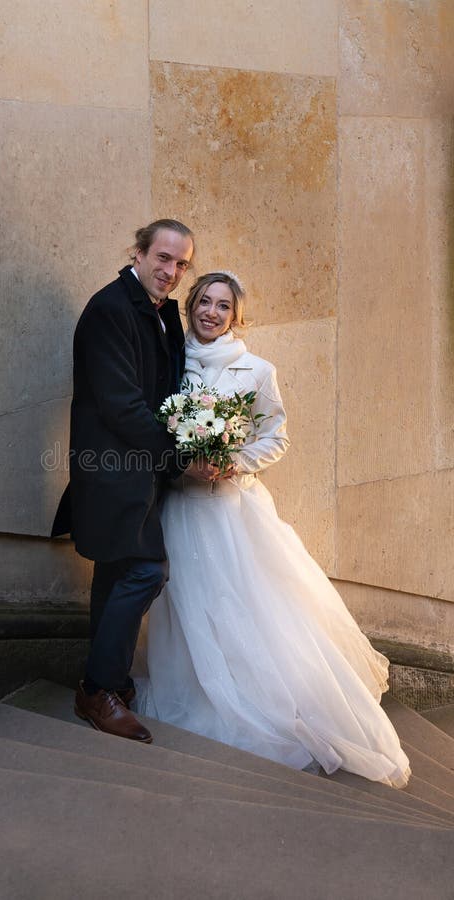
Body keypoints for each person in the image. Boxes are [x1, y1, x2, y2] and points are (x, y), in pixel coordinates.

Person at [134, 271, 411, 787]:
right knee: (191, 607)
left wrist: (231, 460)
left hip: (231, 509)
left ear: (236, 316)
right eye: (204, 302)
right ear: (190, 305)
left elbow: (276, 437)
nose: (211, 313)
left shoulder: (257, 370)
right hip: (180, 506)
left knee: (246, 605)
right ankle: (199, 691)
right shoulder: (170, 361)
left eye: (222, 305)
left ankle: (262, 700)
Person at [52, 219, 214, 744]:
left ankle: (105, 684)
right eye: (163, 258)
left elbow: (166, 394)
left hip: (139, 470)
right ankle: (99, 688)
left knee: (116, 571)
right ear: (139, 254)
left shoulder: (163, 313)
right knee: (147, 570)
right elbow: (122, 406)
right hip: (113, 469)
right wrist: (177, 460)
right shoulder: (110, 310)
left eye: (181, 264)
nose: (171, 271)